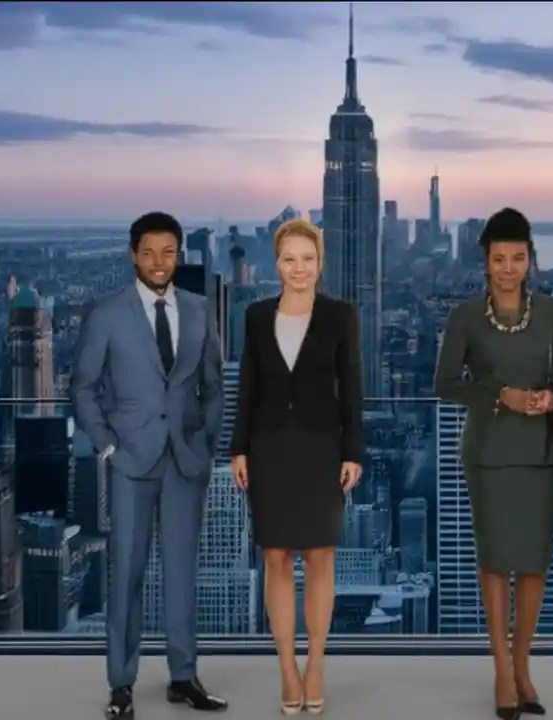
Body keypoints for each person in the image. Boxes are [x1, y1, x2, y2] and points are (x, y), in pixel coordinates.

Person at [71, 211, 229, 718]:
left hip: (185, 461)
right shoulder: (107, 313)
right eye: (148, 252)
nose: (159, 263)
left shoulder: (202, 309)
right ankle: (121, 684)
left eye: (168, 252)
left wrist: (204, 442)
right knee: (128, 576)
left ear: (179, 254)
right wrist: (106, 445)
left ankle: (183, 677)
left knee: (183, 575)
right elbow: (82, 387)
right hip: (131, 460)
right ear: (133, 255)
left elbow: (213, 386)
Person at [433, 207, 553, 720]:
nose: (509, 268)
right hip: (490, 452)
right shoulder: (465, 317)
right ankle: (499, 672)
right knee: (496, 561)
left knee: (533, 562)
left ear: (530, 260)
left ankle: (522, 667)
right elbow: (445, 383)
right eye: (499, 259)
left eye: (518, 258)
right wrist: (502, 396)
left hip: (540, 450)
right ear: (486, 262)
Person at [229, 218, 364, 716]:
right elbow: (247, 386)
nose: (299, 268)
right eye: (290, 259)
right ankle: (287, 668)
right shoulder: (256, 315)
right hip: (269, 449)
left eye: (308, 259)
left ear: (320, 263)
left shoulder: (340, 315)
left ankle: (317, 664)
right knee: (276, 559)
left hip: (322, 449)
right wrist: (238, 447)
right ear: (277, 262)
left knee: (321, 557)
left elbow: (352, 387)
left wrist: (354, 451)